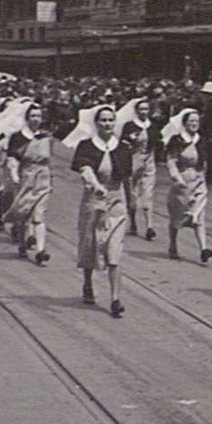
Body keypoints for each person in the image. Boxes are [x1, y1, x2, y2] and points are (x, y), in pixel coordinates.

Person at [68, 106, 133, 318]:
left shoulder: (123, 148)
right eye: (103, 120)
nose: (107, 124)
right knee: (91, 243)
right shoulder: (86, 146)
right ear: (96, 123)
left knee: (114, 251)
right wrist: (95, 184)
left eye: (110, 120)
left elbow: (126, 178)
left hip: (117, 203)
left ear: (115, 123)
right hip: (94, 201)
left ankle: (115, 299)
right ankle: (87, 283)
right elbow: (84, 169)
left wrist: (130, 203)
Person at [3, 103, 53, 265]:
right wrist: (14, 176)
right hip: (25, 177)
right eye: (33, 116)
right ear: (26, 118)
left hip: (43, 179)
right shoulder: (18, 137)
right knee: (24, 213)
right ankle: (23, 243)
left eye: (38, 116)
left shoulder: (46, 137)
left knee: (39, 215)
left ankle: (40, 251)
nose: (36, 119)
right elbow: (12, 159)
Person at [162, 108, 212, 263]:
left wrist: (204, 176)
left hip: (198, 181)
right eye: (191, 121)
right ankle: (173, 245)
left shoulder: (201, 140)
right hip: (182, 183)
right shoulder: (177, 140)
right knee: (177, 218)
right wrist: (176, 177)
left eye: (197, 121)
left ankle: (204, 249)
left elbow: (204, 161)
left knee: (199, 216)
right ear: (185, 123)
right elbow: (171, 161)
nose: (194, 124)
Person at [118, 98, 159, 241]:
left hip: (149, 161)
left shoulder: (153, 126)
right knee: (132, 192)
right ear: (136, 111)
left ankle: (149, 226)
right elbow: (122, 143)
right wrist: (130, 138)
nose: (144, 112)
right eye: (141, 109)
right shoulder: (129, 126)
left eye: (146, 109)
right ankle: (133, 223)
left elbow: (157, 142)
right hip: (133, 160)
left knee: (148, 192)